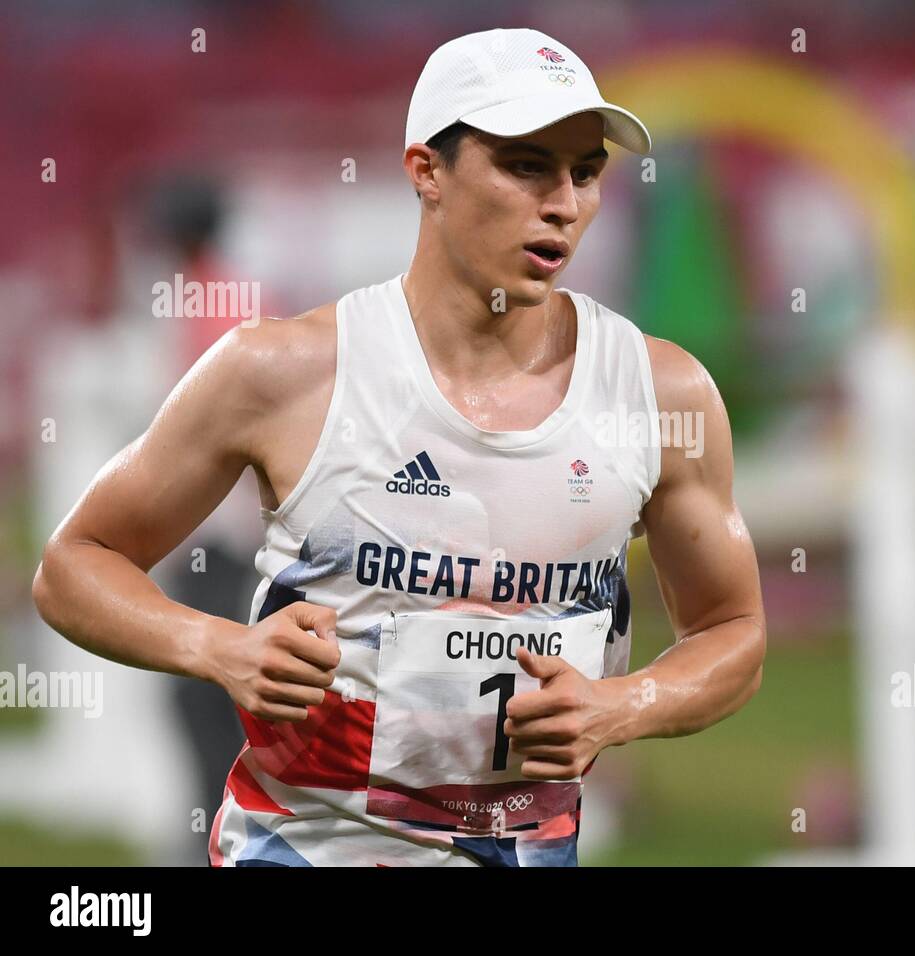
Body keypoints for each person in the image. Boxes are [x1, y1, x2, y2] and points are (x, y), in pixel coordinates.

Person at [32, 26, 766, 867]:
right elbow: (73, 565)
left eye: (586, 172)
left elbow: (732, 630)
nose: (564, 202)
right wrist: (225, 649)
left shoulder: (662, 394)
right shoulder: (284, 370)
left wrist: (620, 706)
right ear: (427, 171)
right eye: (527, 165)